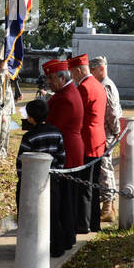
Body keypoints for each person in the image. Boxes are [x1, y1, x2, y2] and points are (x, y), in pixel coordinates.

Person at [42, 58, 84, 256]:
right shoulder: (65, 92)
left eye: (51, 78)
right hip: (68, 148)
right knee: (66, 198)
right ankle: (67, 237)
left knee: (64, 200)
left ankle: (64, 239)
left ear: (61, 77)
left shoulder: (65, 97)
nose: (48, 82)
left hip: (67, 151)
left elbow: (53, 126)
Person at [68, 54, 106, 232]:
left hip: (87, 140)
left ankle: (83, 224)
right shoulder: (98, 85)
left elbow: (77, 115)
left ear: (78, 71)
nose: (71, 77)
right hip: (98, 139)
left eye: (72, 73)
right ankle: (94, 222)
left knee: (84, 185)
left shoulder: (83, 87)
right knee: (94, 185)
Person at [14, 97, 65, 216]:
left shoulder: (29, 136)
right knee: (51, 210)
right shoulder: (56, 132)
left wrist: (23, 179)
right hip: (52, 177)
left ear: (31, 119)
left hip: (32, 179)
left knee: (29, 211)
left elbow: (21, 161)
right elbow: (61, 156)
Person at [90, 56, 121, 222]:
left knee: (105, 168)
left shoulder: (105, 85)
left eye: (93, 70)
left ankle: (108, 206)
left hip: (106, 133)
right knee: (104, 167)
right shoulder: (104, 84)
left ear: (100, 69)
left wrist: (116, 130)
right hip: (104, 132)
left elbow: (112, 112)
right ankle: (108, 204)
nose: (91, 73)